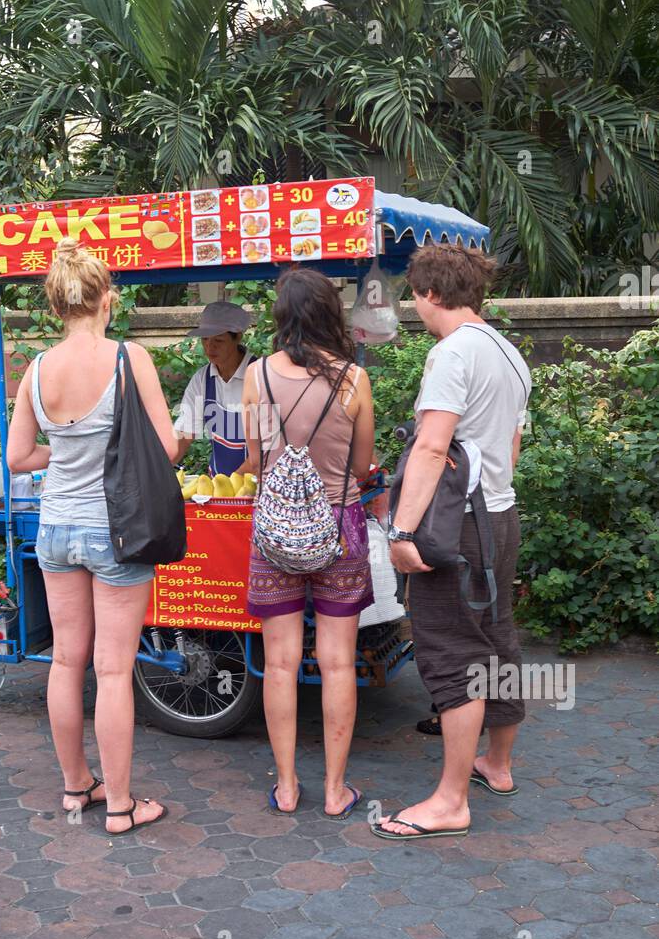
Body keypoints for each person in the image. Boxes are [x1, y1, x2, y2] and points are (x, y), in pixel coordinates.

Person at [7, 239, 179, 834]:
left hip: (55, 528)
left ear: (57, 306)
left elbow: (18, 457)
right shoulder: (130, 359)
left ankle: (78, 787)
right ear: (107, 299)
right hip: (117, 532)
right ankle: (124, 807)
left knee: (64, 661)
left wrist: (68, 450)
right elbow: (168, 446)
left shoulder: (35, 370)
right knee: (112, 670)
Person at [373, 245, 531, 841]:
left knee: (449, 649)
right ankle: (498, 764)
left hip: (455, 526)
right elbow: (509, 449)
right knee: (496, 637)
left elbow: (433, 447)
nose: (413, 304)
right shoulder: (509, 353)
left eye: (413, 293)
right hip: (498, 515)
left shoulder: (451, 354)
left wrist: (402, 530)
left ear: (431, 294)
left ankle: (450, 800)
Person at [243, 267, 376, 819]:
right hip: (340, 527)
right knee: (339, 663)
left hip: (273, 532)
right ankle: (335, 790)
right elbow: (363, 465)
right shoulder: (353, 380)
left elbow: (254, 461)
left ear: (282, 317)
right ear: (330, 313)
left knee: (279, 664)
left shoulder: (257, 377)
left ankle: (288, 785)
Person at [174, 300, 255, 477]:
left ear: (238, 337)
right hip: (218, 483)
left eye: (218, 340)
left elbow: (267, 447)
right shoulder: (202, 380)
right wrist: (162, 464)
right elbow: (185, 432)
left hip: (260, 487)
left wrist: (235, 484)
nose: (210, 347)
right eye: (205, 339)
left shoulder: (259, 376)